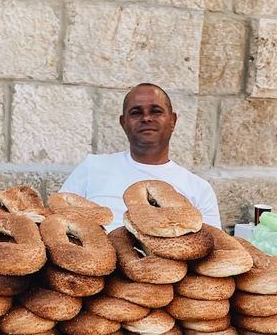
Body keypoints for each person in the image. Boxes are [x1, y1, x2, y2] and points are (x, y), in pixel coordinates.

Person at [61, 82, 220, 230]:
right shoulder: (93, 167)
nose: (146, 118)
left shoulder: (199, 189)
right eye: (136, 113)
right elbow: (58, 220)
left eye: (156, 111)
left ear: (172, 120)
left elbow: (212, 245)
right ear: (123, 123)